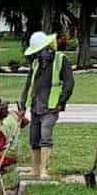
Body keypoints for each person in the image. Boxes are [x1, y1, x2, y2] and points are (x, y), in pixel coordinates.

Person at [18, 30, 74, 180]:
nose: (39, 54)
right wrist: (22, 106)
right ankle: (35, 169)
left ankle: (44, 170)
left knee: (45, 136)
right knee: (34, 138)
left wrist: (61, 102)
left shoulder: (61, 60)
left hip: (51, 107)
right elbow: (28, 85)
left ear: (48, 47)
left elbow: (69, 83)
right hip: (35, 107)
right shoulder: (36, 63)